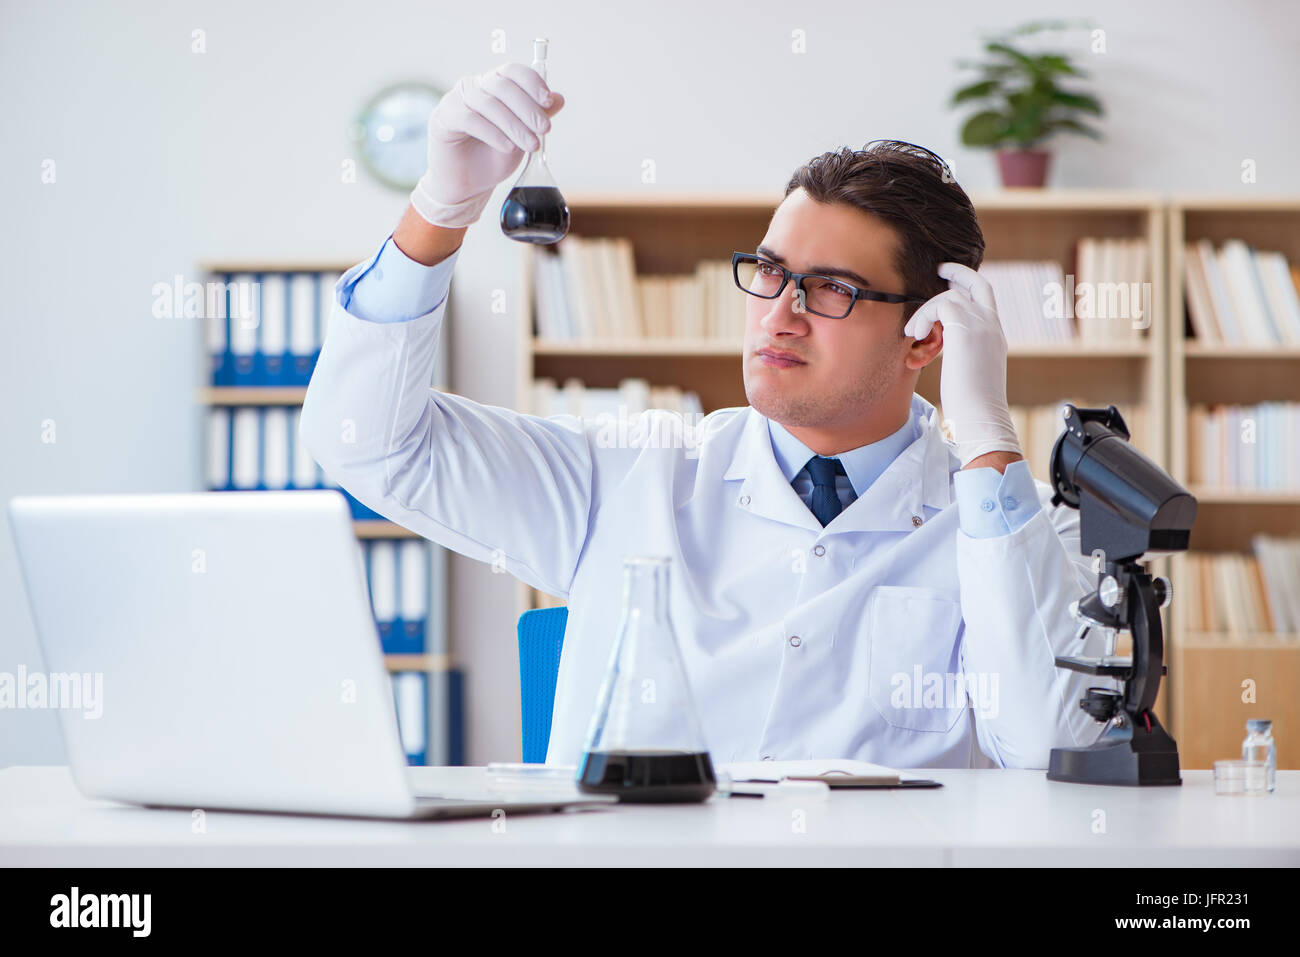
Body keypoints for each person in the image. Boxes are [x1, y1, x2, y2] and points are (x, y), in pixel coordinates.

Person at [300, 61, 1114, 769]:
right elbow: (366, 444)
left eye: (830, 288)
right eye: (768, 271)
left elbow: (1046, 744)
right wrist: (438, 211)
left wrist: (987, 439)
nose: (780, 314)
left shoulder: (1016, 533)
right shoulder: (623, 473)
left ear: (925, 335)